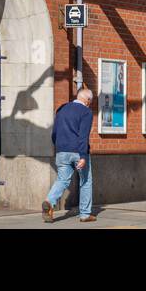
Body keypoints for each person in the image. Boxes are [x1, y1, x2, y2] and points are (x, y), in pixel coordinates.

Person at [43, 87, 96, 223]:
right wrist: (83, 156)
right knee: (85, 181)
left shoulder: (61, 109)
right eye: (91, 101)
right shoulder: (86, 112)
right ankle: (85, 214)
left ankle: (49, 201)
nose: (90, 103)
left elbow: (54, 133)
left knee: (62, 179)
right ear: (87, 100)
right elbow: (83, 136)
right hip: (78, 152)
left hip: (61, 150)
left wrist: (59, 147)